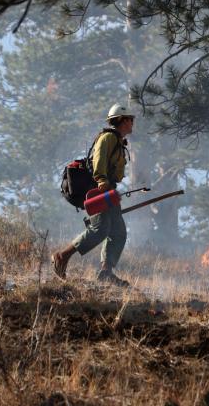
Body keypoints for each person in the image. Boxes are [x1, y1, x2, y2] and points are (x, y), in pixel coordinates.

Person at [51, 103, 135, 286]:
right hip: (100, 189)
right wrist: (102, 181)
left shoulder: (118, 141)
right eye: (130, 119)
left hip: (109, 190)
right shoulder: (108, 138)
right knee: (100, 229)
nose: (132, 123)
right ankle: (62, 256)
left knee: (118, 232)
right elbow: (99, 160)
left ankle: (106, 272)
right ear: (122, 120)